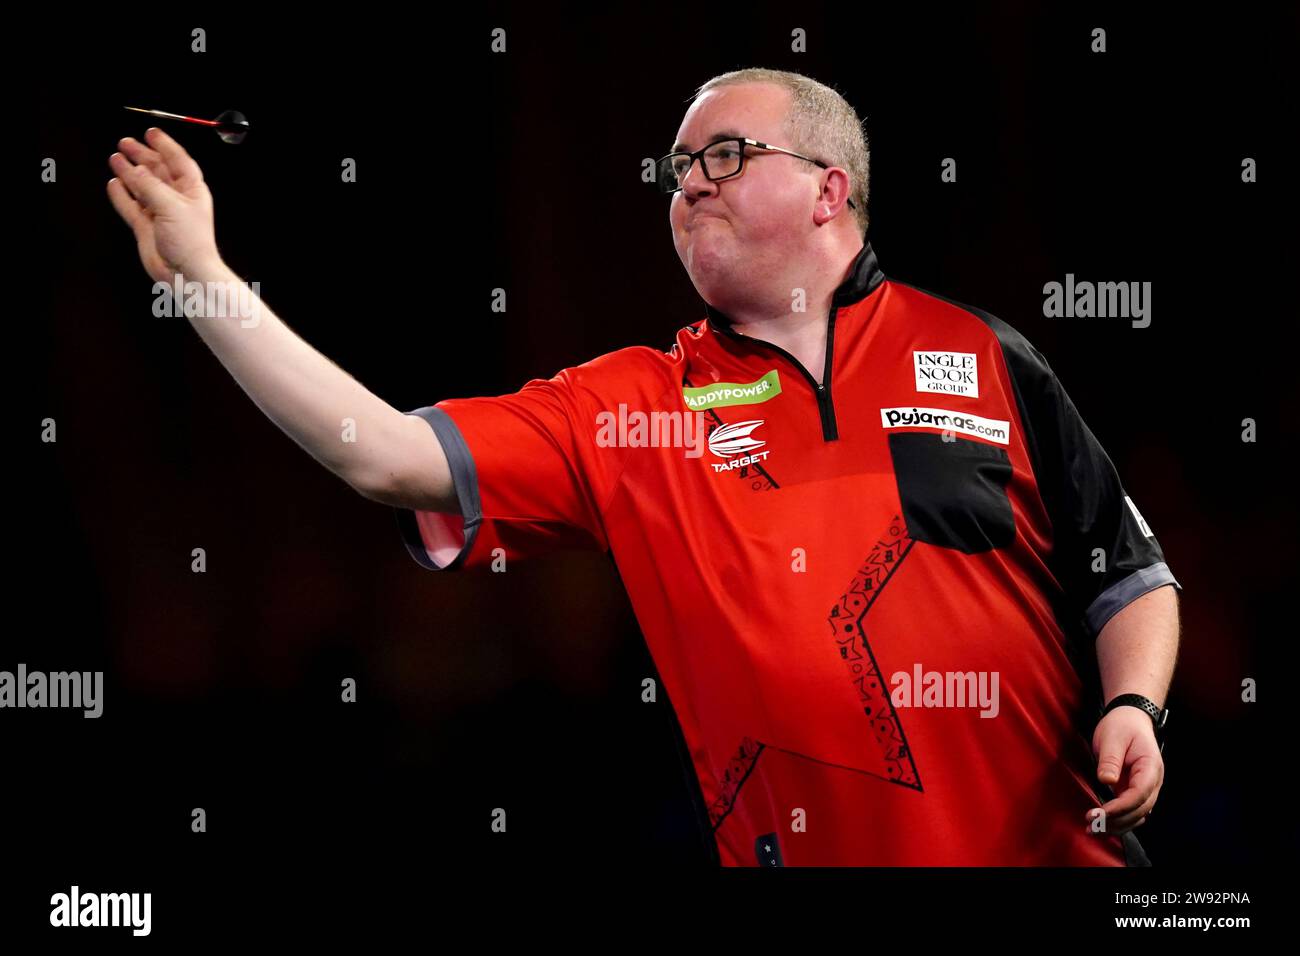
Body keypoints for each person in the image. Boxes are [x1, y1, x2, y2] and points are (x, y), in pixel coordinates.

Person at [106, 67, 1181, 866]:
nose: (689, 185)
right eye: (677, 172)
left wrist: (1133, 703)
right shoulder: (635, 405)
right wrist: (204, 281)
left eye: (723, 156)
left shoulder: (986, 353)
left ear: (827, 189)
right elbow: (383, 455)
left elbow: (1125, 575)